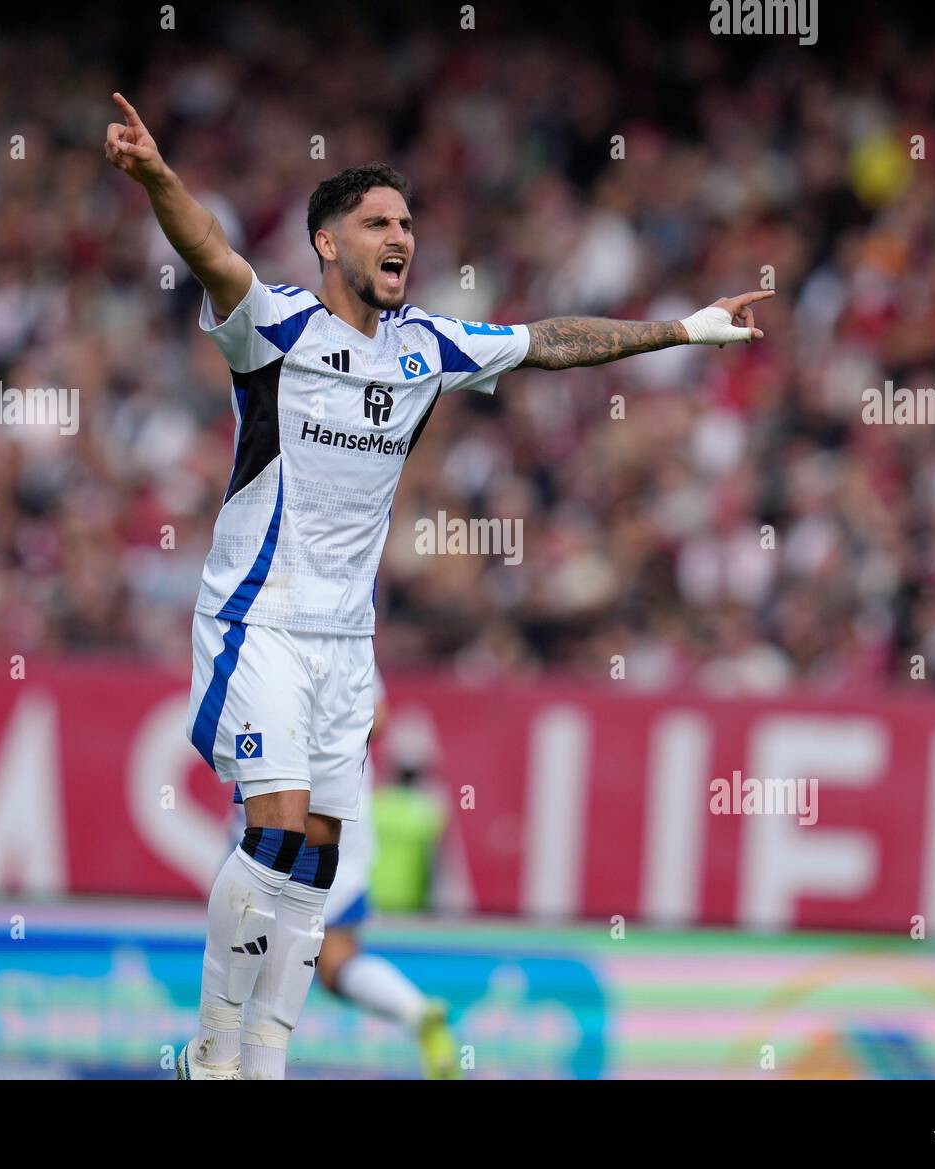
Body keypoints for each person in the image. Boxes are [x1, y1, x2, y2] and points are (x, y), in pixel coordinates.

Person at [103, 90, 771, 1080]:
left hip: (345, 642)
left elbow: (548, 338)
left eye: (407, 223)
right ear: (327, 242)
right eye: (377, 221)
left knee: (317, 862)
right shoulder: (275, 329)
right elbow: (212, 252)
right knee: (275, 823)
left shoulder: (426, 349)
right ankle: (210, 1049)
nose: (399, 237)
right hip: (259, 616)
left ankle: (263, 1058)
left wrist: (682, 328)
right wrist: (158, 178)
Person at [229, 671, 459, 1078]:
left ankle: (246, 1067)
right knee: (334, 959)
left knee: (258, 963)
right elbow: (380, 715)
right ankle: (415, 1010)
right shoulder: (349, 630)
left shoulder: (265, 634)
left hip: (282, 814)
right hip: (344, 824)